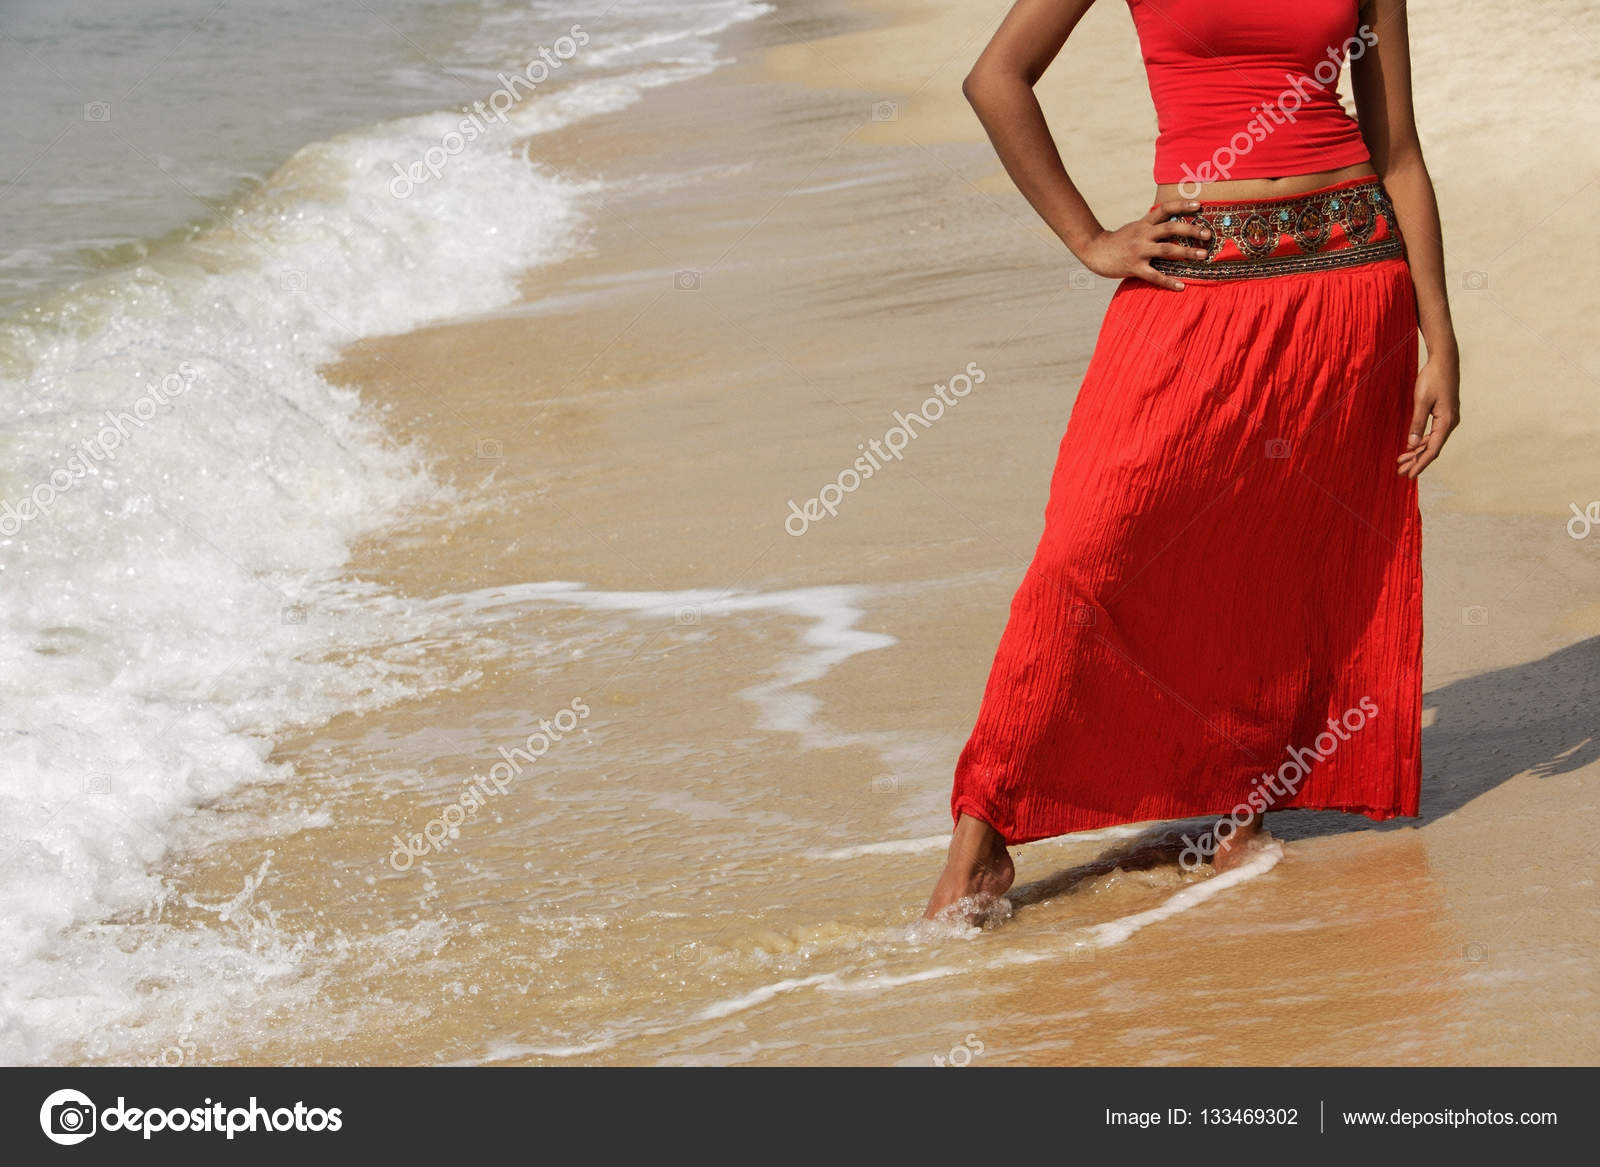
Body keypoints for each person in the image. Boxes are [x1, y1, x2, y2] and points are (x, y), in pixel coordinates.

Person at [924, 0, 1459, 920]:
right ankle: (984, 832)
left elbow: (1398, 150)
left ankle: (1244, 801)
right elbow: (995, 79)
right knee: (1086, 548)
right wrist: (1091, 239)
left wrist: (1439, 334)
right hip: (1195, 280)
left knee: (1274, 552)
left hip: (1348, 282)